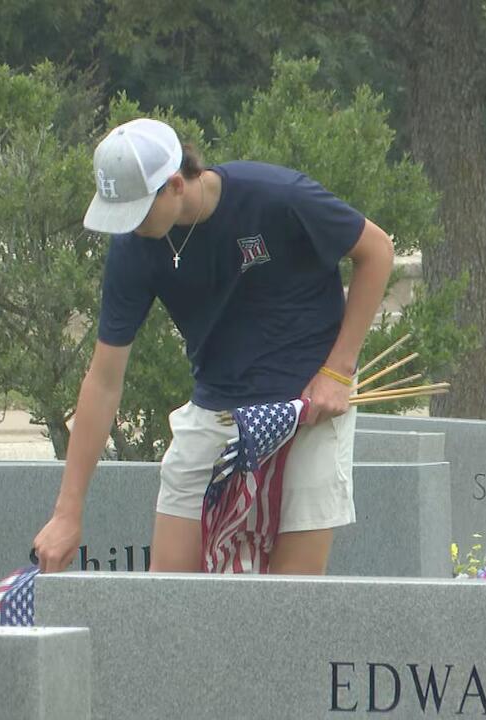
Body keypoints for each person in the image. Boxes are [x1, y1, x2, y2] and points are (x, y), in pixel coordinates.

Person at [33, 117, 394, 575]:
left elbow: (377, 251)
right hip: (215, 408)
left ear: (176, 185)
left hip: (309, 405)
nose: (131, 227)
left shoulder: (276, 196)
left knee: (290, 605)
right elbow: (104, 380)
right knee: (171, 598)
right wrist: (68, 513)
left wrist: (339, 372)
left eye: (140, 211)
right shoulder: (133, 249)